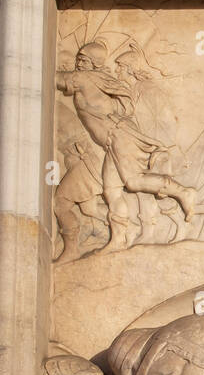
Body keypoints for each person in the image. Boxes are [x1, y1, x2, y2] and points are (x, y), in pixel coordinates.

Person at [56, 42, 195, 252]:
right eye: (78, 59)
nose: (78, 63)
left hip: (119, 136)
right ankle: (118, 239)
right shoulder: (100, 79)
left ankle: (183, 192)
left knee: (133, 181)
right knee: (111, 190)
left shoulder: (85, 78)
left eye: (83, 60)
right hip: (113, 140)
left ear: (94, 63)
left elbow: (54, 78)